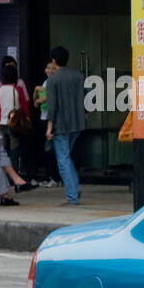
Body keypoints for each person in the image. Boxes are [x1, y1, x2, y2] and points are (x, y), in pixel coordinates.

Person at [45, 46, 86, 205]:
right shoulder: (79, 76)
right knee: (67, 157)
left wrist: (49, 127)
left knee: (63, 160)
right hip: (77, 123)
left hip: (61, 126)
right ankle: (75, 186)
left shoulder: (53, 80)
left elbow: (52, 106)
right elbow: (88, 97)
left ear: (54, 61)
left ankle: (72, 196)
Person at [0, 58, 30, 177]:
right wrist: (27, 118)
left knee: (5, 150)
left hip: (3, 124)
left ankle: (4, 175)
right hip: (14, 124)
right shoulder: (16, 89)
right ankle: (14, 176)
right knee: (15, 150)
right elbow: (22, 107)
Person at [32, 59, 60, 186]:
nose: (50, 70)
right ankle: (50, 177)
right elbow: (35, 100)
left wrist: (38, 101)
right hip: (44, 117)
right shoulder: (46, 82)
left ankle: (54, 177)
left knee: (50, 149)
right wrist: (36, 91)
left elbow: (48, 96)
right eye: (48, 68)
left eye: (53, 68)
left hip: (52, 119)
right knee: (47, 148)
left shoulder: (55, 82)